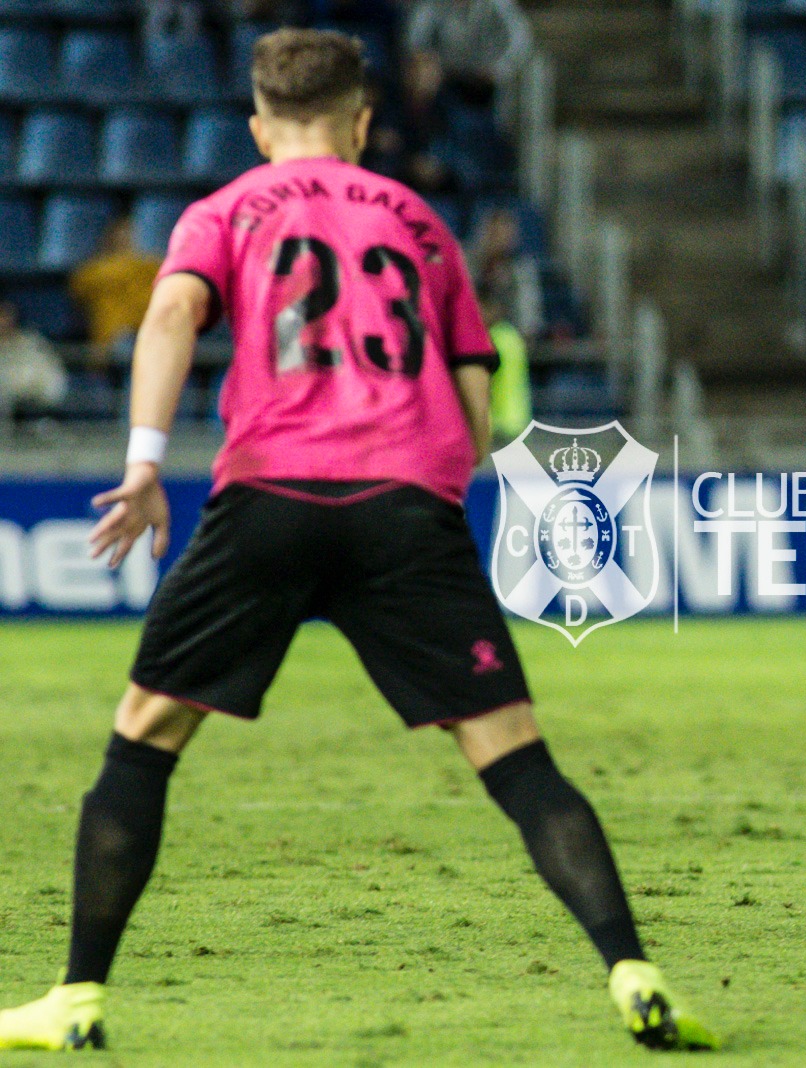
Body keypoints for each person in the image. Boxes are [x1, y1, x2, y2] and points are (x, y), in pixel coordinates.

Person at [0, 29, 715, 1054]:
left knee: (143, 738)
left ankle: (76, 998)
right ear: (363, 123)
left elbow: (167, 318)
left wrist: (147, 461)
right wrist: (423, 482)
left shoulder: (224, 210)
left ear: (258, 124)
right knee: (516, 759)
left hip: (271, 495)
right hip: (403, 505)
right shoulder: (421, 222)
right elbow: (473, 405)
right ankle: (632, 970)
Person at [68, 217, 161, 374]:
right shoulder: (94, 272)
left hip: (147, 334)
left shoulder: (150, 268)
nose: (123, 239)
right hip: (108, 342)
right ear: (108, 239)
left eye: (127, 235)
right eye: (119, 235)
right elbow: (78, 290)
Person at [0, 299, 68, 423]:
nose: (3, 321)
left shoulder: (31, 343)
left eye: (6, 316)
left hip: (32, 411)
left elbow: (53, 379)